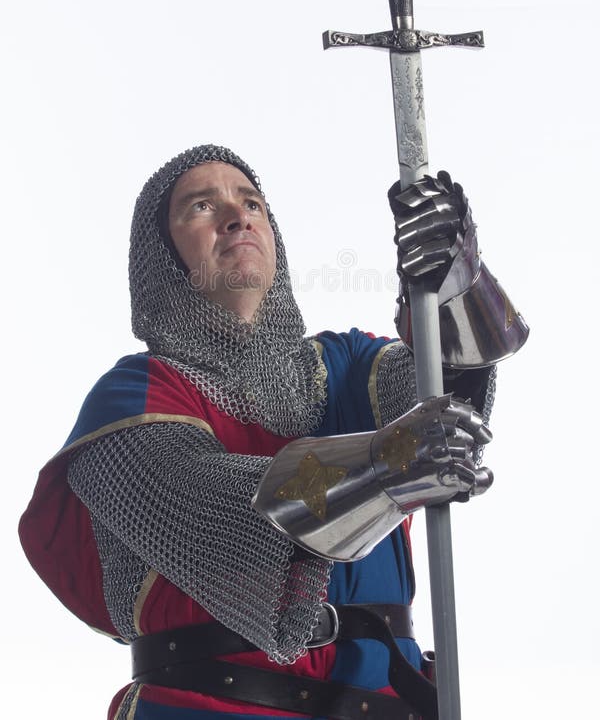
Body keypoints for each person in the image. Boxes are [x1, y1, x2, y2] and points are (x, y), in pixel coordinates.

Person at [19, 144, 527, 720]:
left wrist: (455, 284)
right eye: (201, 207)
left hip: (389, 702)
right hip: (210, 706)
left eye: (251, 203)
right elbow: (206, 507)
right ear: (163, 258)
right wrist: (388, 463)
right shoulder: (132, 396)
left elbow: (446, 393)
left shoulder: (346, 366)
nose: (237, 216)